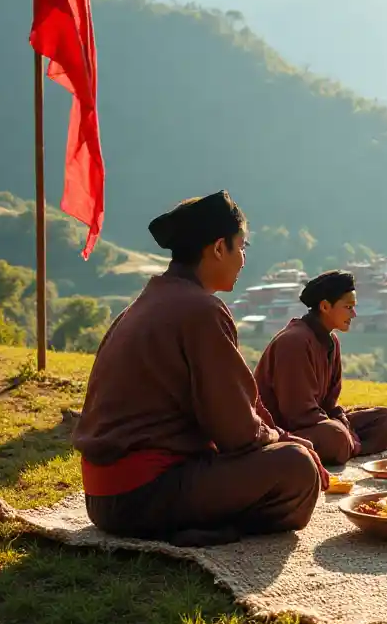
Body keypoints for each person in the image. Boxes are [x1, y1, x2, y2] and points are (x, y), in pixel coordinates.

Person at [71, 191, 324, 547]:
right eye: (241, 246)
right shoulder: (201, 310)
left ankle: (202, 522)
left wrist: (277, 434)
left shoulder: (146, 303)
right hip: (144, 495)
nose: (243, 259)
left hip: (102, 499)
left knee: (289, 453)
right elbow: (236, 430)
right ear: (219, 248)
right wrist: (279, 443)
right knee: (297, 467)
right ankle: (199, 526)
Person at [254, 269, 387, 465]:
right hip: (284, 429)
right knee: (334, 436)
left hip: (316, 423)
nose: (353, 314)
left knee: (385, 419)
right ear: (325, 306)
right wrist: (339, 428)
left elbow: (330, 404)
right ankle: (346, 446)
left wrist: (340, 419)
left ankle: (347, 447)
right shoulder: (294, 341)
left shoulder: (332, 341)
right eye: (348, 307)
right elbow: (296, 414)